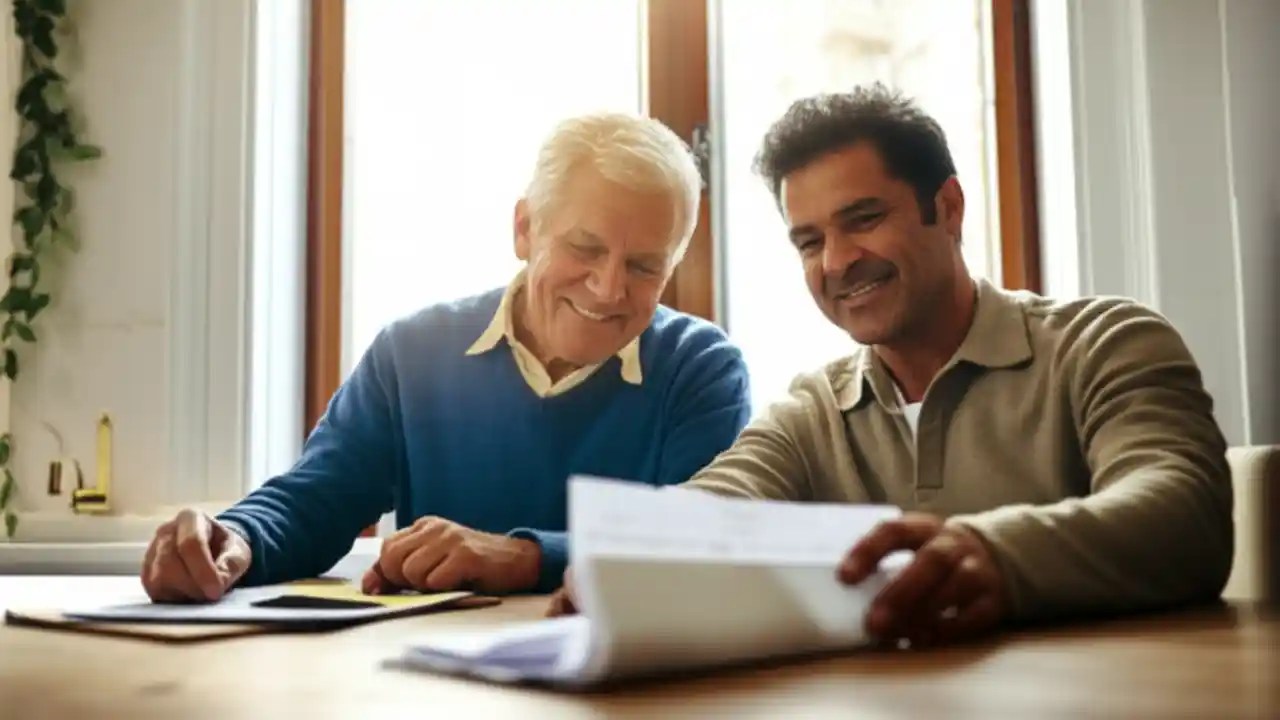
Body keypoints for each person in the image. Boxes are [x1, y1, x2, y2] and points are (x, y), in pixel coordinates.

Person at [549, 84, 1233, 647]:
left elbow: (1184, 512)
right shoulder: (812, 412)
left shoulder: (1106, 343)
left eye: (864, 218)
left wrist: (991, 553)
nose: (838, 261)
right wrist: (632, 555)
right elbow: (715, 502)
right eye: (810, 241)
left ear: (950, 208)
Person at [140, 113, 753, 602]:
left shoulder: (701, 369)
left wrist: (520, 558)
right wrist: (237, 536)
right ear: (524, 229)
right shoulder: (412, 353)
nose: (609, 288)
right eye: (583, 247)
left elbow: (692, 541)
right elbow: (316, 498)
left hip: (626, 686)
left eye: (645, 266)